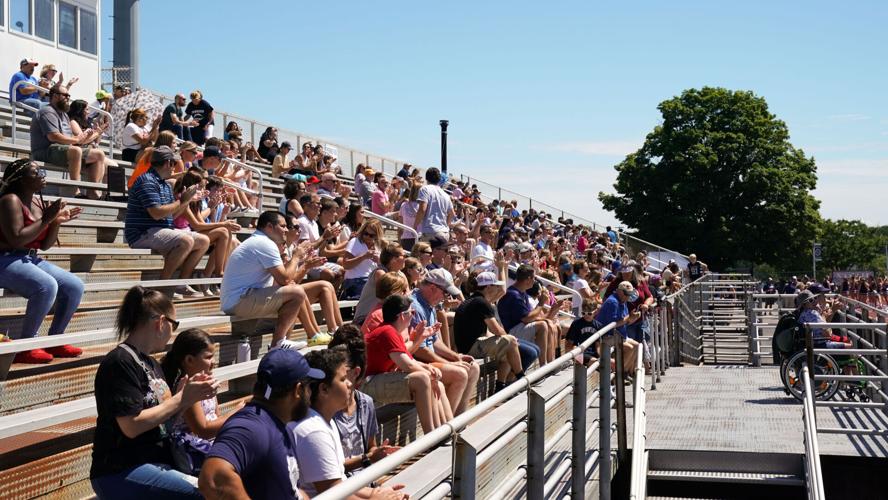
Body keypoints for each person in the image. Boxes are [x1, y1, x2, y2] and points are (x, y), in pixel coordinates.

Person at [91, 286, 218, 498]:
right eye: (174, 324)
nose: (173, 332)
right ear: (161, 322)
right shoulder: (120, 362)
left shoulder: (151, 363)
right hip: (121, 469)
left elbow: (163, 425)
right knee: (206, 494)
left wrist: (187, 399)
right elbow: (131, 426)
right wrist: (181, 399)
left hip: (154, 461)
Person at [199, 348, 324, 500]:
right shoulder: (252, 426)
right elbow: (213, 480)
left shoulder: (274, 422)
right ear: (298, 389)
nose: (310, 394)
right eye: (309, 386)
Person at [0, 159, 85, 363]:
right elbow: (16, 238)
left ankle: (56, 339)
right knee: (46, 285)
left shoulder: (38, 201)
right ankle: (27, 344)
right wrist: (47, 219)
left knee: (75, 285)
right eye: (36, 173)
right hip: (6, 259)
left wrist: (56, 222)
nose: (42, 175)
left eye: (42, 171)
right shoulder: (10, 200)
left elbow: (45, 245)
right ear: (20, 180)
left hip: (30, 257)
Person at [293, 350, 407, 498]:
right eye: (343, 379)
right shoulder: (314, 431)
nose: (349, 383)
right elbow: (333, 494)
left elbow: (341, 483)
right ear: (324, 389)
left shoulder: (324, 422)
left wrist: (378, 493)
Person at [125, 147, 210, 296]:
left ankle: (180, 284)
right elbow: (156, 213)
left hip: (159, 230)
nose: (177, 167)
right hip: (142, 233)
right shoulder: (147, 180)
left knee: (203, 241)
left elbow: (173, 215)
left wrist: (186, 201)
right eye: (174, 163)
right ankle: (163, 287)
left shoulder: (164, 184)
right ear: (168, 164)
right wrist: (182, 200)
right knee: (186, 241)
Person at [220, 211, 310, 349]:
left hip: (241, 298)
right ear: (269, 227)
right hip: (239, 300)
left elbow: (282, 280)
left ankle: (285, 342)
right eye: (283, 226)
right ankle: (278, 343)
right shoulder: (264, 243)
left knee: (304, 290)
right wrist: (296, 257)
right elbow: (284, 279)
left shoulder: (261, 241)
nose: (286, 230)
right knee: (296, 293)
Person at [161, 329, 243, 475]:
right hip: (195, 453)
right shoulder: (188, 389)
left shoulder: (207, 383)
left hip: (211, 445)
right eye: (208, 357)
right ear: (189, 360)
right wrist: (237, 413)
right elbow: (203, 430)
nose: (214, 362)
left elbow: (215, 418)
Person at [364, 294, 450, 433]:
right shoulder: (387, 331)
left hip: (376, 380)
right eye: (412, 312)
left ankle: (448, 429)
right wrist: (428, 373)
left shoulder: (391, 331)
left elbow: (410, 360)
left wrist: (427, 367)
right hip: (366, 383)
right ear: (402, 315)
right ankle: (432, 435)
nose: (413, 316)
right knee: (422, 379)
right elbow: (407, 365)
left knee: (435, 382)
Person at [328, 326, 400, 476]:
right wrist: (368, 458)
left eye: (341, 374)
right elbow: (328, 472)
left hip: (365, 480)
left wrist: (379, 453)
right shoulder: (323, 409)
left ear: (356, 372)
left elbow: (371, 447)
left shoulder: (365, 403)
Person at [410, 269, 480, 415]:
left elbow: (435, 341)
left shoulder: (429, 304)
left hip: (427, 359)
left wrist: (456, 357)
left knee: (473, 367)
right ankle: (447, 426)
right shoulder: (415, 306)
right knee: (460, 374)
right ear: (433, 288)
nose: (446, 298)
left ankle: (459, 420)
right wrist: (449, 363)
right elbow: (419, 350)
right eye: (445, 293)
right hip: (416, 362)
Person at [30, 84, 108, 199]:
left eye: (68, 95)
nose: (68, 98)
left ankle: (93, 192)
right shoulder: (47, 111)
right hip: (45, 150)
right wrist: (77, 139)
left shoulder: (64, 115)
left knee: (99, 154)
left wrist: (95, 134)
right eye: (65, 95)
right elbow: (54, 137)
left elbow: (71, 139)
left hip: (62, 149)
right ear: (55, 96)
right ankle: (75, 190)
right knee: (75, 150)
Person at [453, 272, 526, 392]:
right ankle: (522, 378)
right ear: (488, 287)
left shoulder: (473, 300)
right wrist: (511, 340)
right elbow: (497, 330)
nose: (498, 288)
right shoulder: (482, 302)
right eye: (495, 285)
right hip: (471, 348)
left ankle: (500, 386)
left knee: (508, 351)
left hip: (467, 346)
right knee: (511, 341)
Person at [497, 265, 563, 365]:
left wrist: (553, 310)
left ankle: (551, 363)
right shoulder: (513, 294)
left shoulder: (522, 292)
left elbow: (533, 318)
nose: (535, 281)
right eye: (534, 278)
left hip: (520, 328)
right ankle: (543, 366)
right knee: (542, 325)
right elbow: (527, 319)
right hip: (510, 332)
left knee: (548, 323)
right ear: (528, 279)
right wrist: (541, 303)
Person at [353, 242, 408, 326]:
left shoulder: (401, 275)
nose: (406, 259)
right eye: (404, 256)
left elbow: (407, 297)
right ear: (393, 259)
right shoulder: (380, 273)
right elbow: (391, 299)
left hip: (385, 317)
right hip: (365, 319)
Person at [594, 281, 640, 376]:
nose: (628, 297)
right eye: (626, 294)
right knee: (630, 348)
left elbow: (625, 322)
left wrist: (633, 318)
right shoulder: (613, 302)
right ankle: (619, 376)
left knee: (637, 346)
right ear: (619, 291)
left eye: (629, 294)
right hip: (606, 336)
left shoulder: (622, 301)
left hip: (618, 335)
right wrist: (628, 318)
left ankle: (627, 373)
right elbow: (613, 324)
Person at [341, 219, 384, 300]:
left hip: (370, 280)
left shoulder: (378, 246)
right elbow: (345, 265)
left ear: (377, 236)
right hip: (355, 281)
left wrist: (379, 262)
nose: (367, 237)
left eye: (371, 235)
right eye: (366, 233)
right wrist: (364, 257)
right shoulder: (355, 242)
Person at [413, 168, 455, 242]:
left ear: (426, 178)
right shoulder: (445, 194)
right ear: (439, 179)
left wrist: (415, 225)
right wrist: (446, 226)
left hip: (430, 232)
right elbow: (452, 214)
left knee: (425, 253)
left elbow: (422, 209)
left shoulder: (425, 189)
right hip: (444, 233)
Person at [566, 298, 601, 366]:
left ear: (596, 312)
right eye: (583, 313)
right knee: (595, 362)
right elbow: (569, 343)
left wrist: (601, 356)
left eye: (589, 313)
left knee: (612, 363)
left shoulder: (598, 326)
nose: (586, 315)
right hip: (580, 352)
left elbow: (598, 345)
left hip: (592, 353)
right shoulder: (576, 324)